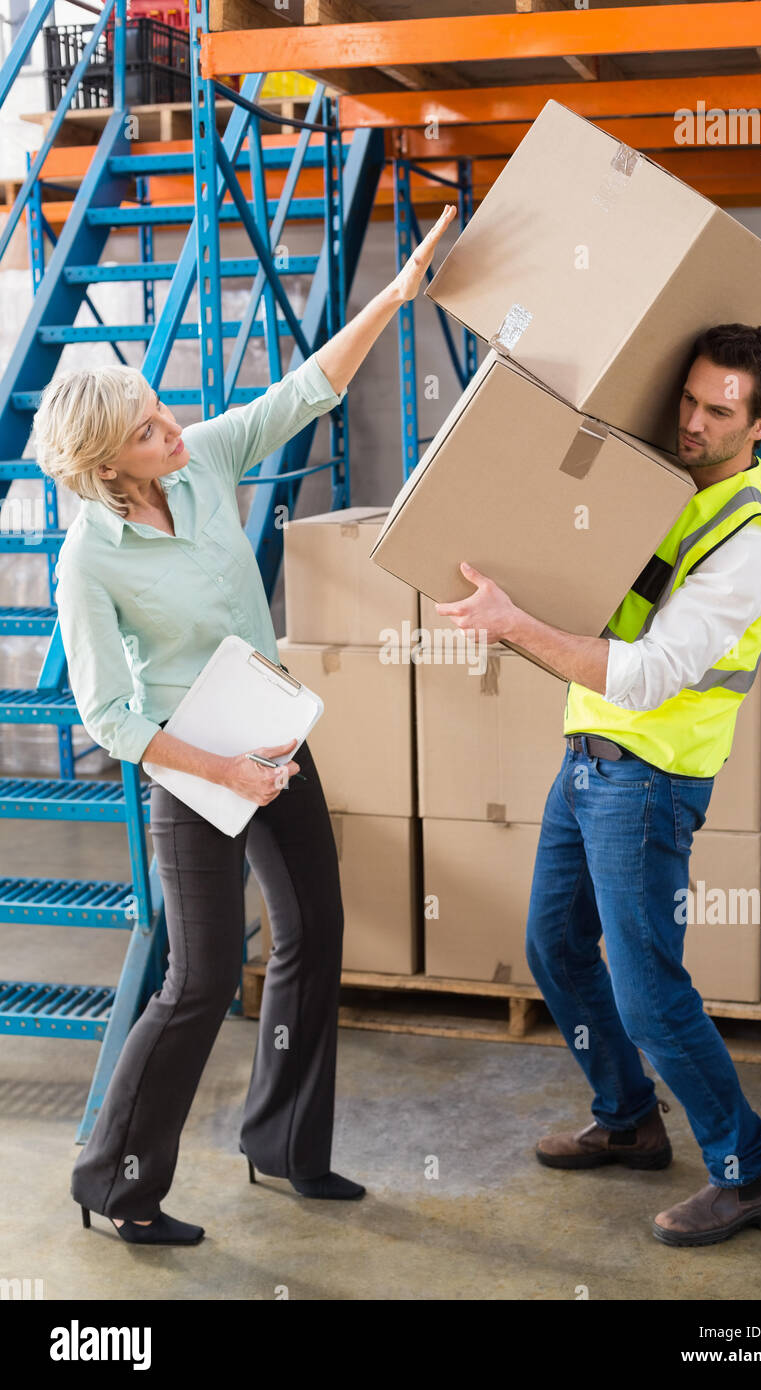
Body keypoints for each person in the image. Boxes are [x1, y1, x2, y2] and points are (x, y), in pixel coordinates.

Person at [34, 203, 458, 1246]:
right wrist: (217, 765)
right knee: (202, 976)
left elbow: (301, 390)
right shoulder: (89, 559)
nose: (170, 426)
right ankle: (116, 1180)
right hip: (188, 760)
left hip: (271, 734)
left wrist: (391, 300)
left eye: (158, 406)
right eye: (145, 427)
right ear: (105, 461)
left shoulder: (202, 461)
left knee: (315, 933)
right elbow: (109, 714)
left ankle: (283, 1146)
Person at [435, 323, 761, 1247]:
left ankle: (746, 1171)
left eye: (720, 412)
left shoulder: (751, 543)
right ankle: (630, 1115)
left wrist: (514, 625)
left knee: (648, 997)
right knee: (555, 945)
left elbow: (646, 674)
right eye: (689, 400)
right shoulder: (668, 487)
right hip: (590, 757)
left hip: (649, 783)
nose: (693, 423)